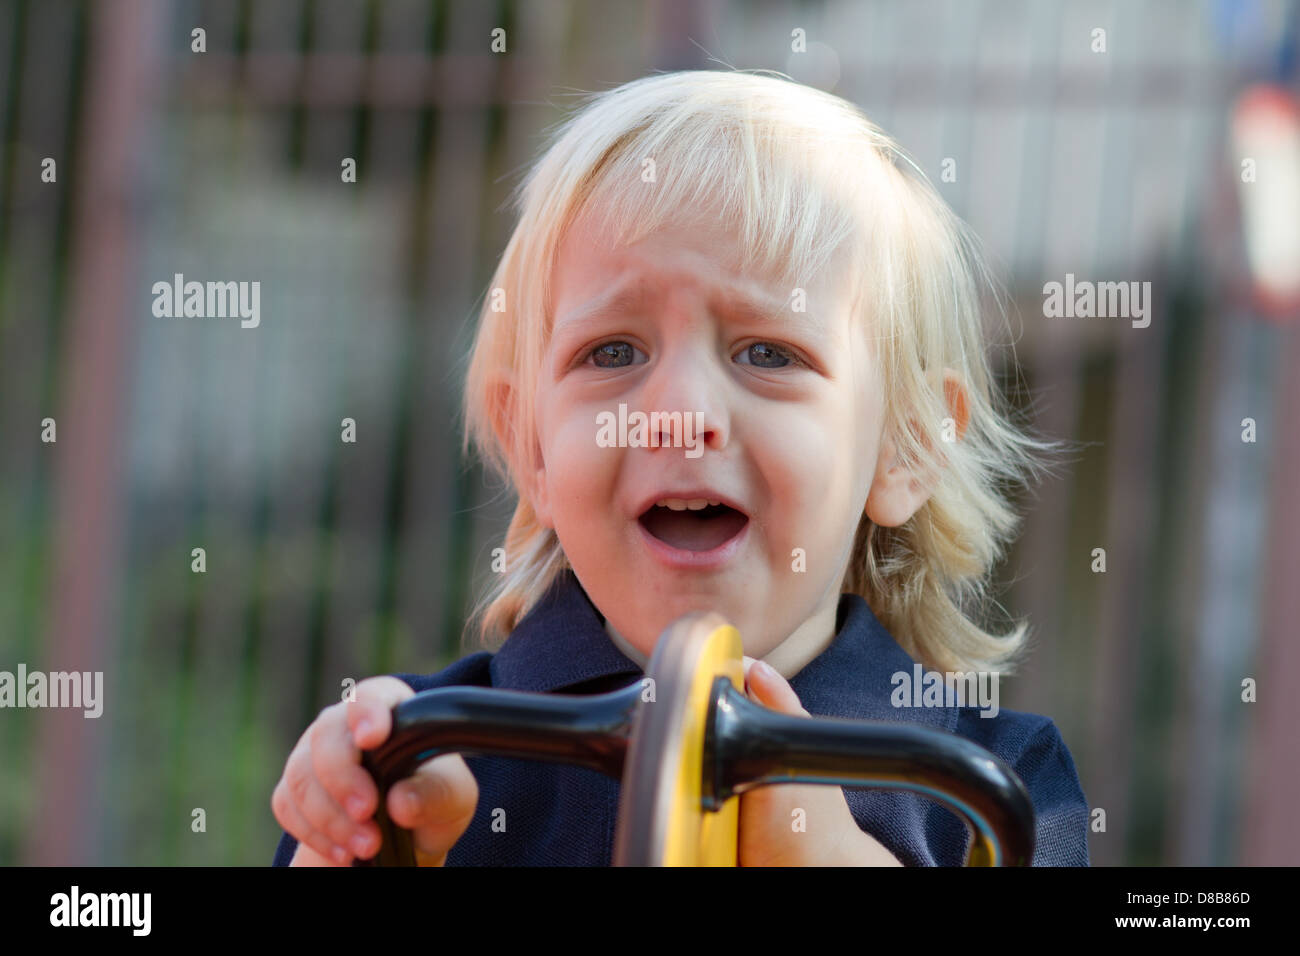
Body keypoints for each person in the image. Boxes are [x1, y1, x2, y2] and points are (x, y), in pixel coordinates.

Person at [271, 69, 1089, 867]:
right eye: (613, 351)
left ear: (906, 443)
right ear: (531, 446)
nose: (682, 414)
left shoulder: (989, 783)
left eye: (768, 352)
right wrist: (369, 842)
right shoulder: (438, 751)